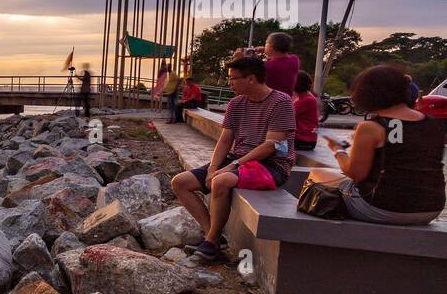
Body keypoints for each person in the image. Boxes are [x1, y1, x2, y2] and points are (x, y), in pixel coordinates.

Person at [171, 54, 296, 259]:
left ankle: (210, 242)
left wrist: (231, 166)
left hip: (271, 164)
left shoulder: (281, 102)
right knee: (180, 182)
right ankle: (213, 235)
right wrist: (213, 167)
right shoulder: (236, 103)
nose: (229, 83)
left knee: (221, 181)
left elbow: (271, 146)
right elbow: (225, 139)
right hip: (238, 159)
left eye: (233, 78)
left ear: (251, 79)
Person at [305, 65, 445, 225]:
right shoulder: (433, 123)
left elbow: (356, 174)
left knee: (317, 174)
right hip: (431, 209)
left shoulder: (371, 127)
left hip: (383, 207)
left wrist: (337, 149)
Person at [292, 71, 319, 151]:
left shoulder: (307, 100)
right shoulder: (305, 97)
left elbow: (286, 115)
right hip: (303, 140)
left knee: (273, 145)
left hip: (304, 141)